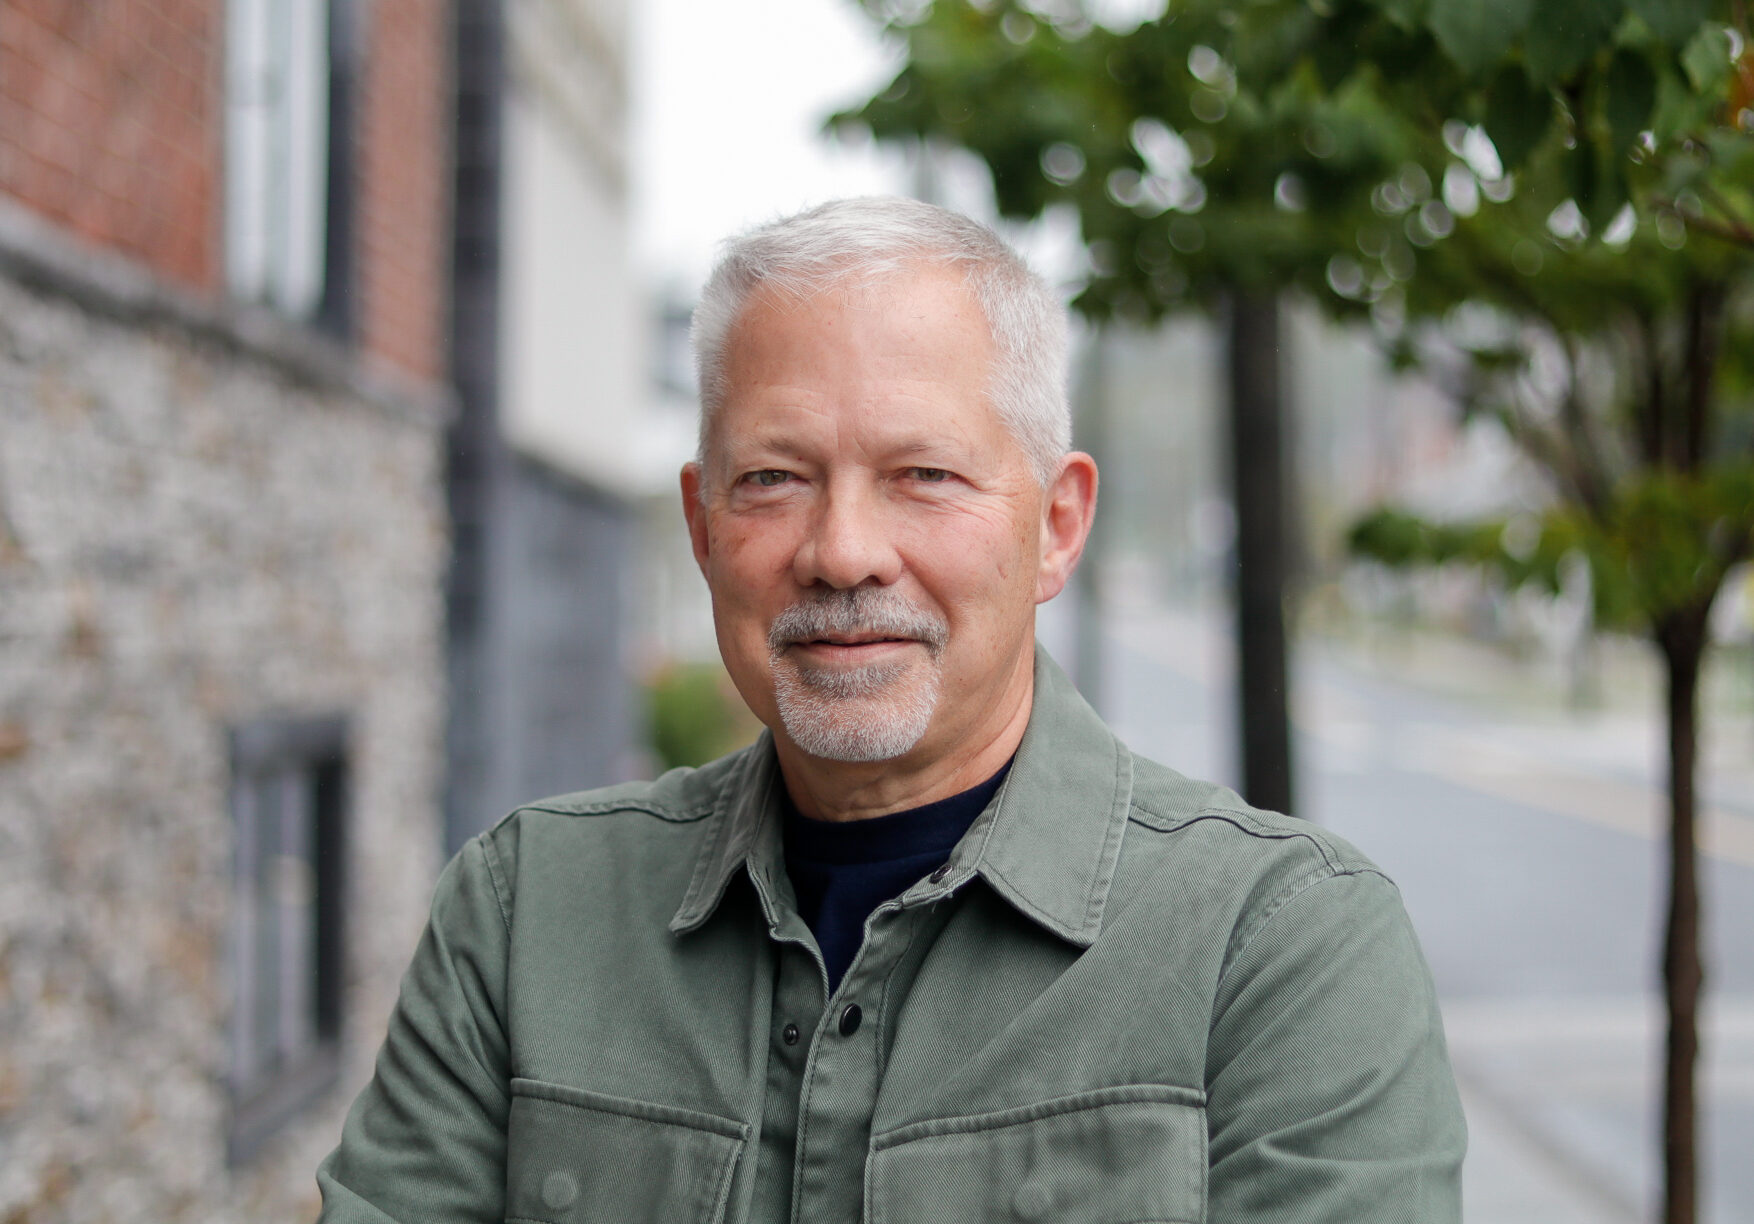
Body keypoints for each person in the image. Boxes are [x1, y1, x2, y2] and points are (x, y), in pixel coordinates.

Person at [316, 197, 1466, 1222]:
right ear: (703, 526)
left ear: (1056, 525)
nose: (842, 552)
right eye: (772, 477)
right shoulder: (523, 917)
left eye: (924, 474)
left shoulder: (1276, 953)